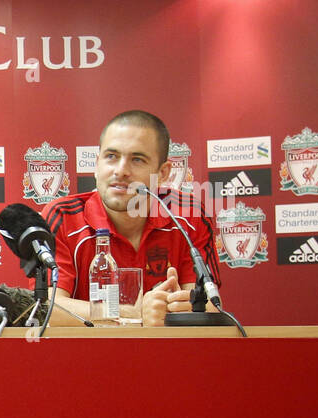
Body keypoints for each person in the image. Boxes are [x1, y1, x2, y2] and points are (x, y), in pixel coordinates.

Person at [42, 110, 221, 327]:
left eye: (137, 159)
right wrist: (134, 314)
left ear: (163, 173)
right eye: (111, 157)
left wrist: (180, 308)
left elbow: (211, 307)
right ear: (97, 164)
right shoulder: (62, 216)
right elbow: (48, 308)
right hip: (85, 357)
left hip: (167, 356)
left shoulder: (189, 215)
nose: (121, 170)